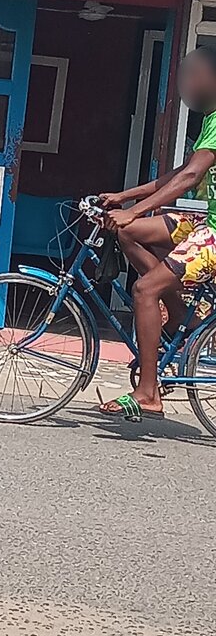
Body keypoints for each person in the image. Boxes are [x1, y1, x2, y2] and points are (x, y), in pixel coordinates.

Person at [97, 43, 216, 420]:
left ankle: (148, 393)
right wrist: (125, 197)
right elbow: (179, 172)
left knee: (144, 290)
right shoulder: (211, 119)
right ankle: (181, 313)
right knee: (130, 234)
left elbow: (191, 177)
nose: (189, 84)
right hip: (206, 224)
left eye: (195, 75)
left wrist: (134, 211)